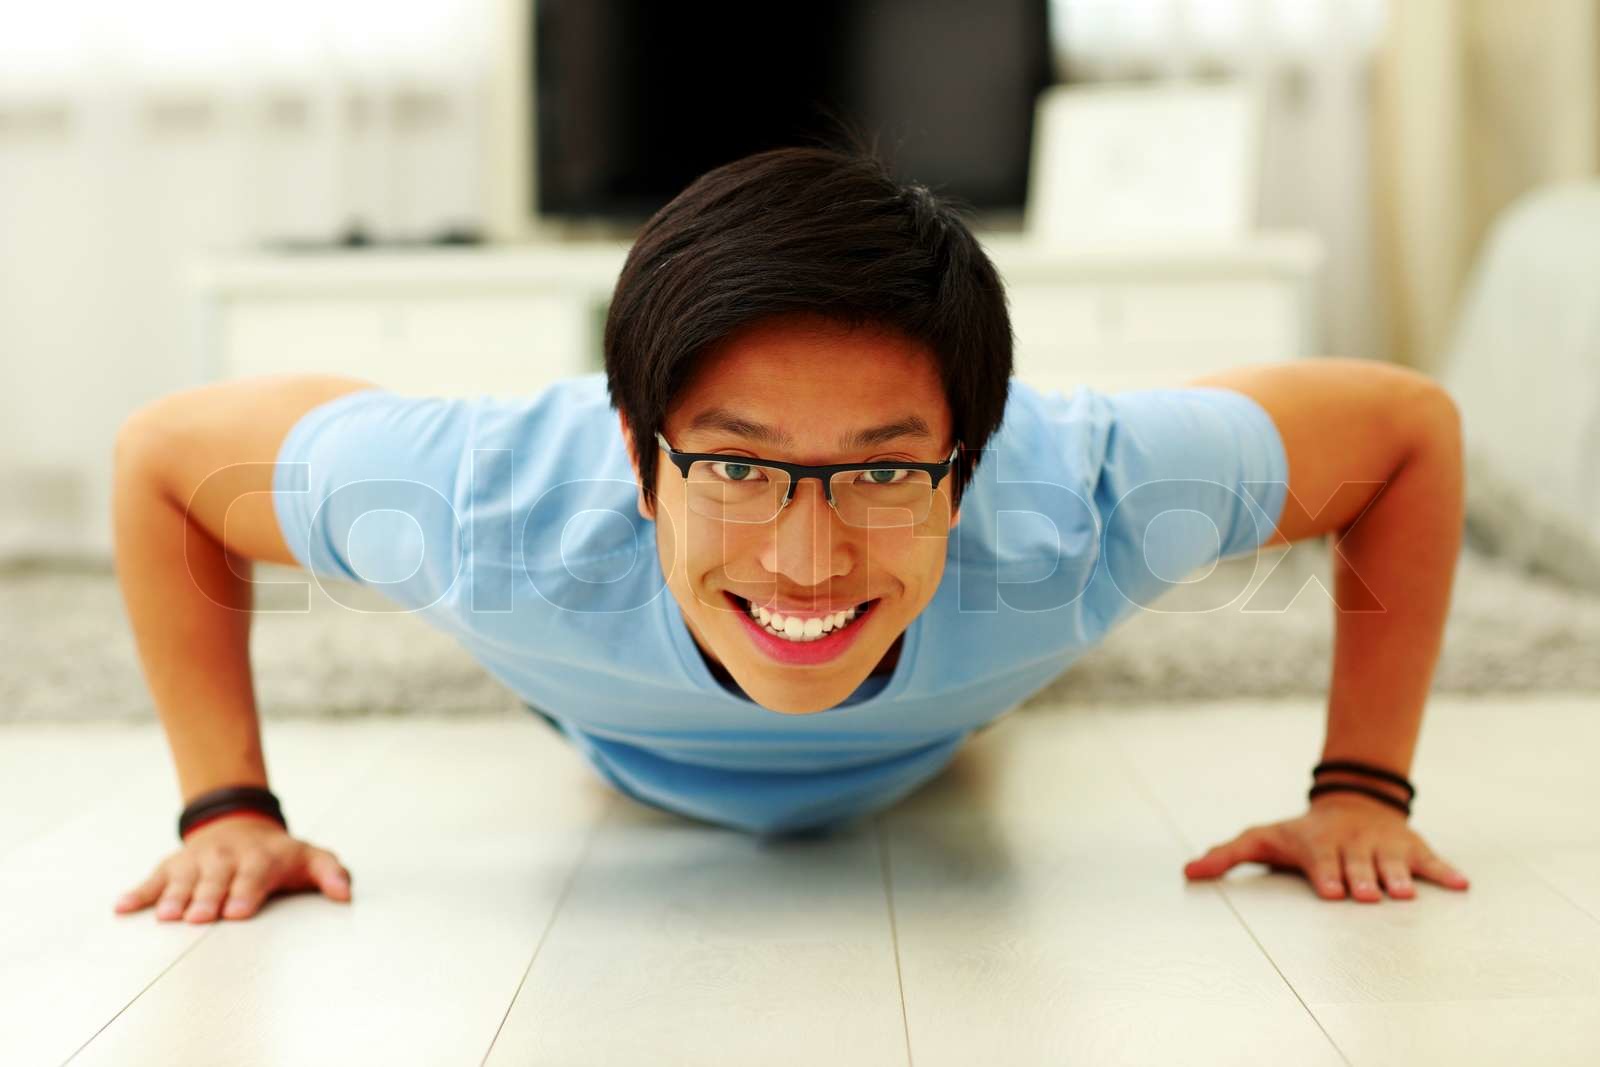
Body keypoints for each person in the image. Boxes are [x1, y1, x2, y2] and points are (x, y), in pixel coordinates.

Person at [109, 146, 1471, 925]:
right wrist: (228, 809)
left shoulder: (1085, 498)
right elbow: (165, 460)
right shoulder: (482, 509)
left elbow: (1405, 432)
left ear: (968, 468)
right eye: (737, 467)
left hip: (944, 733)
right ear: (638, 461)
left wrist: (1362, 789)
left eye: (883, 472)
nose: (806, 558)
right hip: (614, 751)